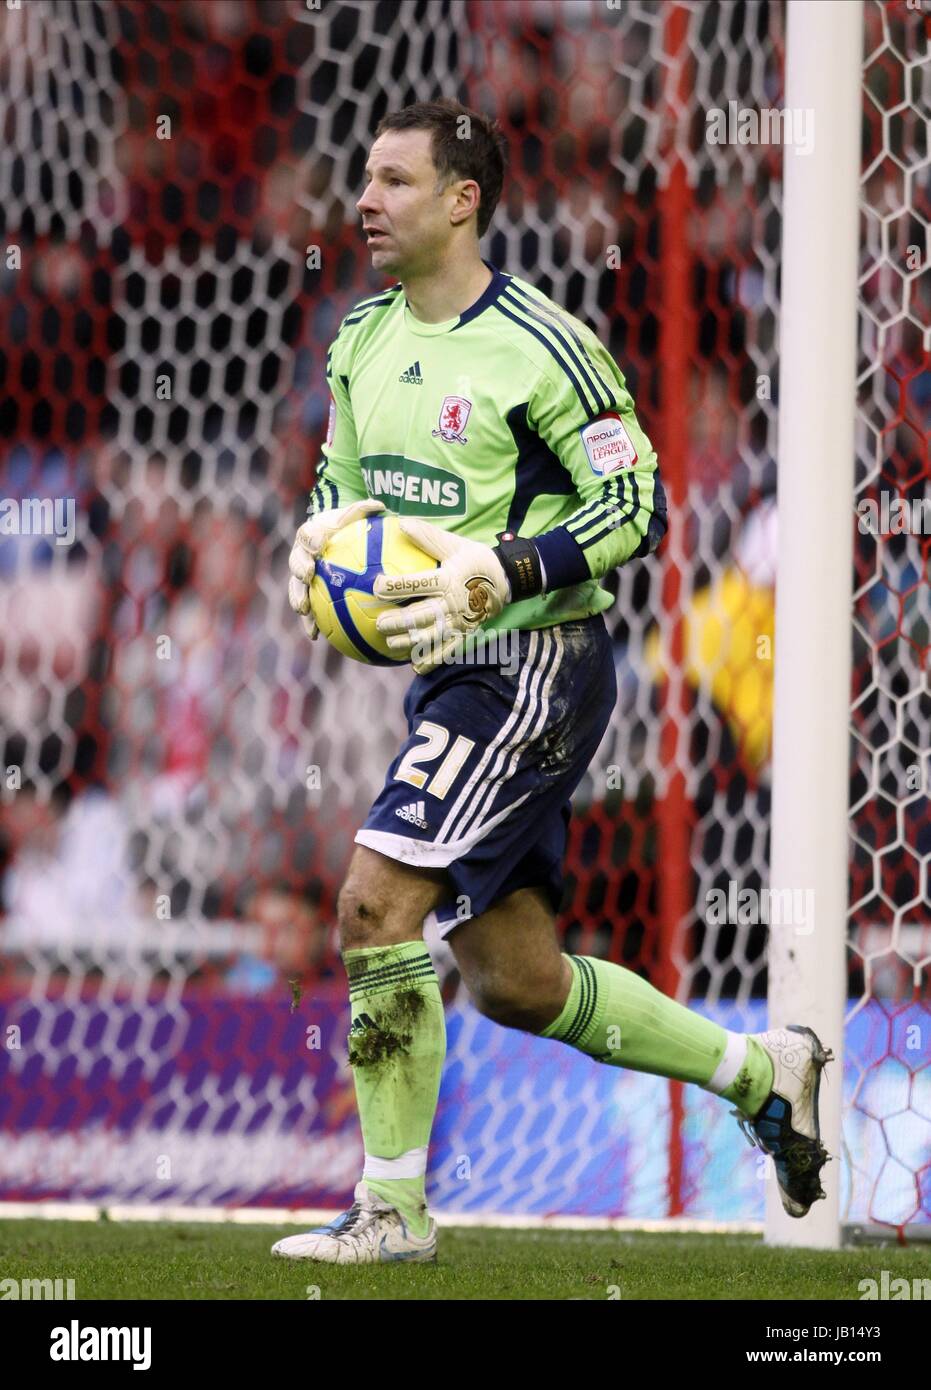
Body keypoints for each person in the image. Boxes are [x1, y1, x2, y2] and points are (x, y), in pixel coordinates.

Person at [276, 99, 831, 1263]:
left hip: (534, 662)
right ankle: (758, 1068)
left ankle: (392, 1214)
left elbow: (636, 507)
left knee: (374, 905)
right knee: (514, 983)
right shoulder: (358, 339)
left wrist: (500, 570)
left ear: (461, 200)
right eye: (364, 180)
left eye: (393, 181)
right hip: (445, 681)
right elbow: (343, 487)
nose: (365, 202)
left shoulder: (546, 343)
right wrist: (314, 540)